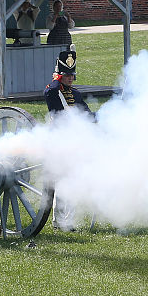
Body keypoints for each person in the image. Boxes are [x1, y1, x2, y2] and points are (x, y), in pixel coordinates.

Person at [44, 46, 91, 231]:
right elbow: (50, 92)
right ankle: (59, 221)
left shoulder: (76, 94)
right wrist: (57, 77)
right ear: (59, 75)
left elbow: (87, 114)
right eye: (66, 74)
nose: (70, 77)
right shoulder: (53, 91)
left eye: (72, 74)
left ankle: (68, 222)